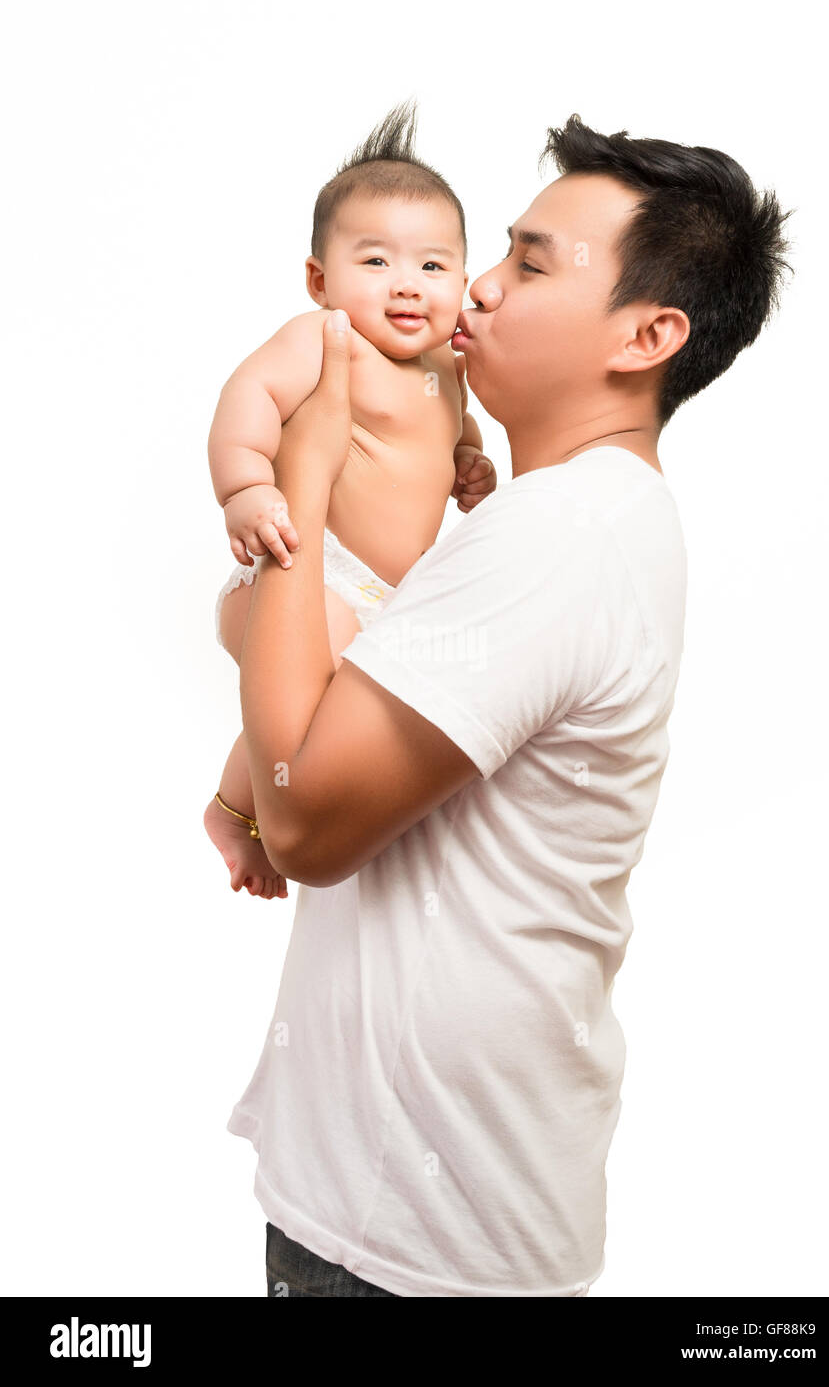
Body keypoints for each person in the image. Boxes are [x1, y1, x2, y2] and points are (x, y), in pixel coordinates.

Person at [220, 112, 793, 1296]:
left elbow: (307, 825)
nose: (471, 286)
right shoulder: (572, 516)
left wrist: (305, 481)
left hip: (405, 1247)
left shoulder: (559, 531)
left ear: (648, 333)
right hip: (409, 1212)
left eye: (528, 263)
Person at [203, 102, 495, 899]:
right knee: (317, 670)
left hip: (384, 601)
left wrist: (469, 462)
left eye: (434, 267)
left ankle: (258, 807)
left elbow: (449, 429)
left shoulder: (447, 362)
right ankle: (238, 811)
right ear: (320, 279)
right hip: (299, 568)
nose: (408, 285)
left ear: (462, 280)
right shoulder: (323, 339)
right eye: (376, 263)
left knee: (340, 714)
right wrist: (247, 489)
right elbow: (248, 396)